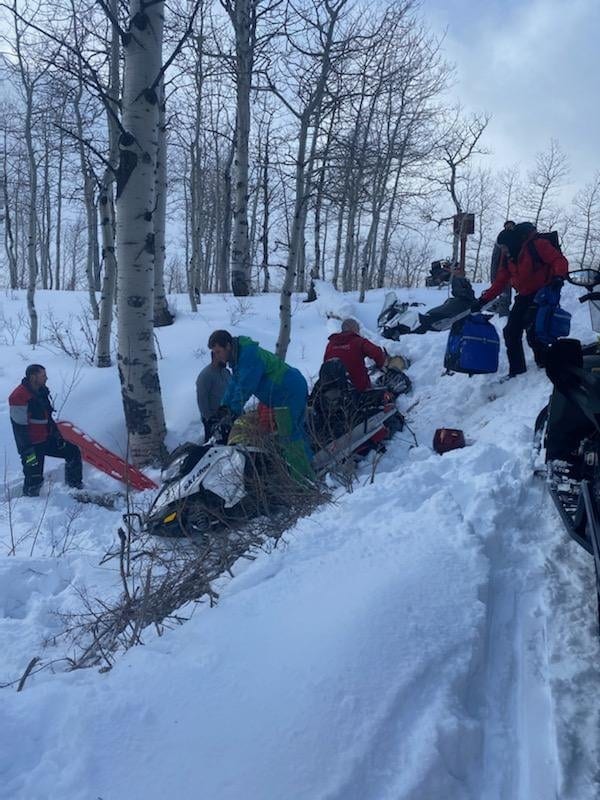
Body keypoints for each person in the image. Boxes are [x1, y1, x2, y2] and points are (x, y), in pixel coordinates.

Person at [208, 330, 313, 479]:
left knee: (290, 435)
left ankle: (304, 480)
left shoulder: (248, 357)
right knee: (294, 433)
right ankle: (308, 466)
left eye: (218, 351)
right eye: (214, 352)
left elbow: (245, 387)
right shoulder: (238, 359)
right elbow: (234, 384)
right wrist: (223, 408)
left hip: (288, 392)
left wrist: (233, 412)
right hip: (281, 394)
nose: (216, 356)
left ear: (228, 346)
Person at [472, 222, 568, 378]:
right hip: (524, 294)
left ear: (510, 243)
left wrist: (558, 277)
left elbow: (559, 260)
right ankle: (517, 371)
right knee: (511, 331)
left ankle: (544, 364)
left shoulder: (538, 245)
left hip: (543, 293)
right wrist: (483, 300)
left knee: (535, 330)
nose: (502, 250)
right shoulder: (508, 256)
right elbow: (501, 280)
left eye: (503, 246)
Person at [8, 364, 83, 496]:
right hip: (30, 446)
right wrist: (27, 451)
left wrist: (57, 436)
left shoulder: (42, 391)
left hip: (46, 439)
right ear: (33, 377)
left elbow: (48, 418)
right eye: (43, 375)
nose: (46, 378)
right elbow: (19, 427)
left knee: (73, 451)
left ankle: (75, 489)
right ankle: (30, 503)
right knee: (34, 477)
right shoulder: (18, 396)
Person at [323, 318, 387, 391]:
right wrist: (380, 363)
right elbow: (377, 352)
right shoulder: (358, 341)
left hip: (333, 390)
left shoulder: (330, 344)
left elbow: (326, 362)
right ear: (354, 328)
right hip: (357, 388)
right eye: (358, 328)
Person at [196, 352, 231, 442]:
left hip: (228, 417)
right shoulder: (205, 375)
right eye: (222, 358)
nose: (225, 360)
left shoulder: (226, 372)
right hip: (214, 421)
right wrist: (210, 420)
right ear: (215, 357)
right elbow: (202, 400)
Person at [489, 220, 515, 317]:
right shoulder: (502, 238)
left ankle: (502, 309)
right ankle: (502, 312)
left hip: (510, 270)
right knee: (504, 290)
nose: (510, 227)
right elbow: (495, 259)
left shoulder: (513, 238)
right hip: (503, 269)